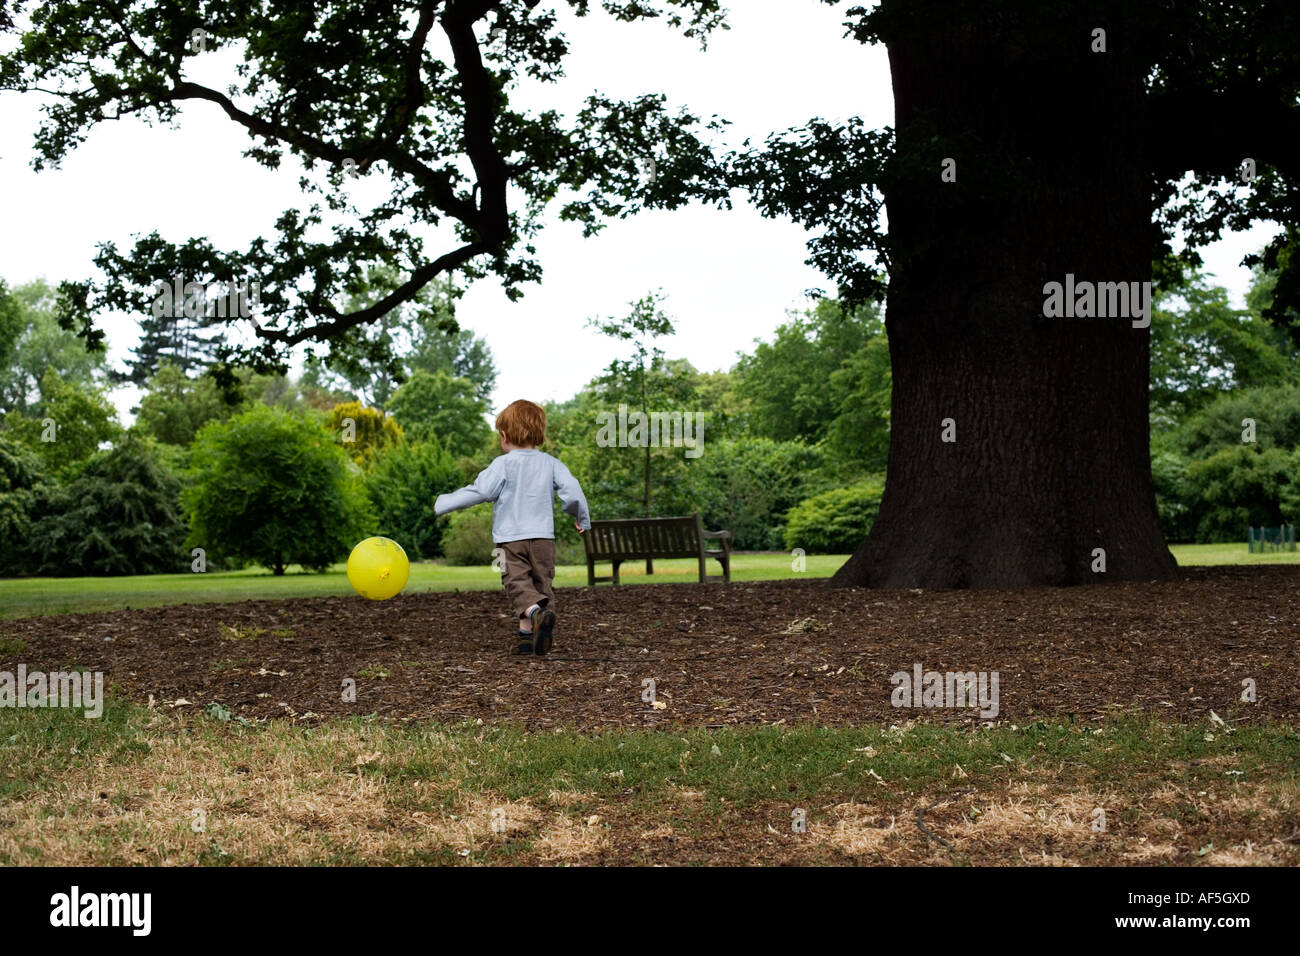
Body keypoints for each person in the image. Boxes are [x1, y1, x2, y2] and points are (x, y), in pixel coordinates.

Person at [435, 399, 590, 656]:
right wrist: (580, 517)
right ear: (539, 434)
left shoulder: (502, 464)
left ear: (504, 436)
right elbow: (573, 492)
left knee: (516, 583)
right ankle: (527, 638)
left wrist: (443, 504)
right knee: (541, 585)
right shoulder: (551, 463)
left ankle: (536, 616)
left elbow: (480, 491)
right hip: (543, 539)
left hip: (510, 539)